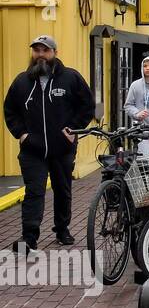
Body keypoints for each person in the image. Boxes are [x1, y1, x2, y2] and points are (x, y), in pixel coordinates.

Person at [3, 36, 94, 252]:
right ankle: (29, 238)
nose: (41, 55)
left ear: (55, 52)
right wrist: (21, 134)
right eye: (37, 50)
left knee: (63, 190)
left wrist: (73, 129)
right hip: (32, 150)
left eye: (45, 50)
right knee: (34, 192)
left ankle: (62, 230)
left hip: (62, 148)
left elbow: (87, 105)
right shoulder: (21, 82)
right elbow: (10, 111)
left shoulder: (70, 78)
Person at [124, 55, 149, 158]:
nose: (147, 68)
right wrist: (137, 113)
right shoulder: (135, 85)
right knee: (143, 160)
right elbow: (128, 105)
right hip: (141, 129)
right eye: (145, 66)